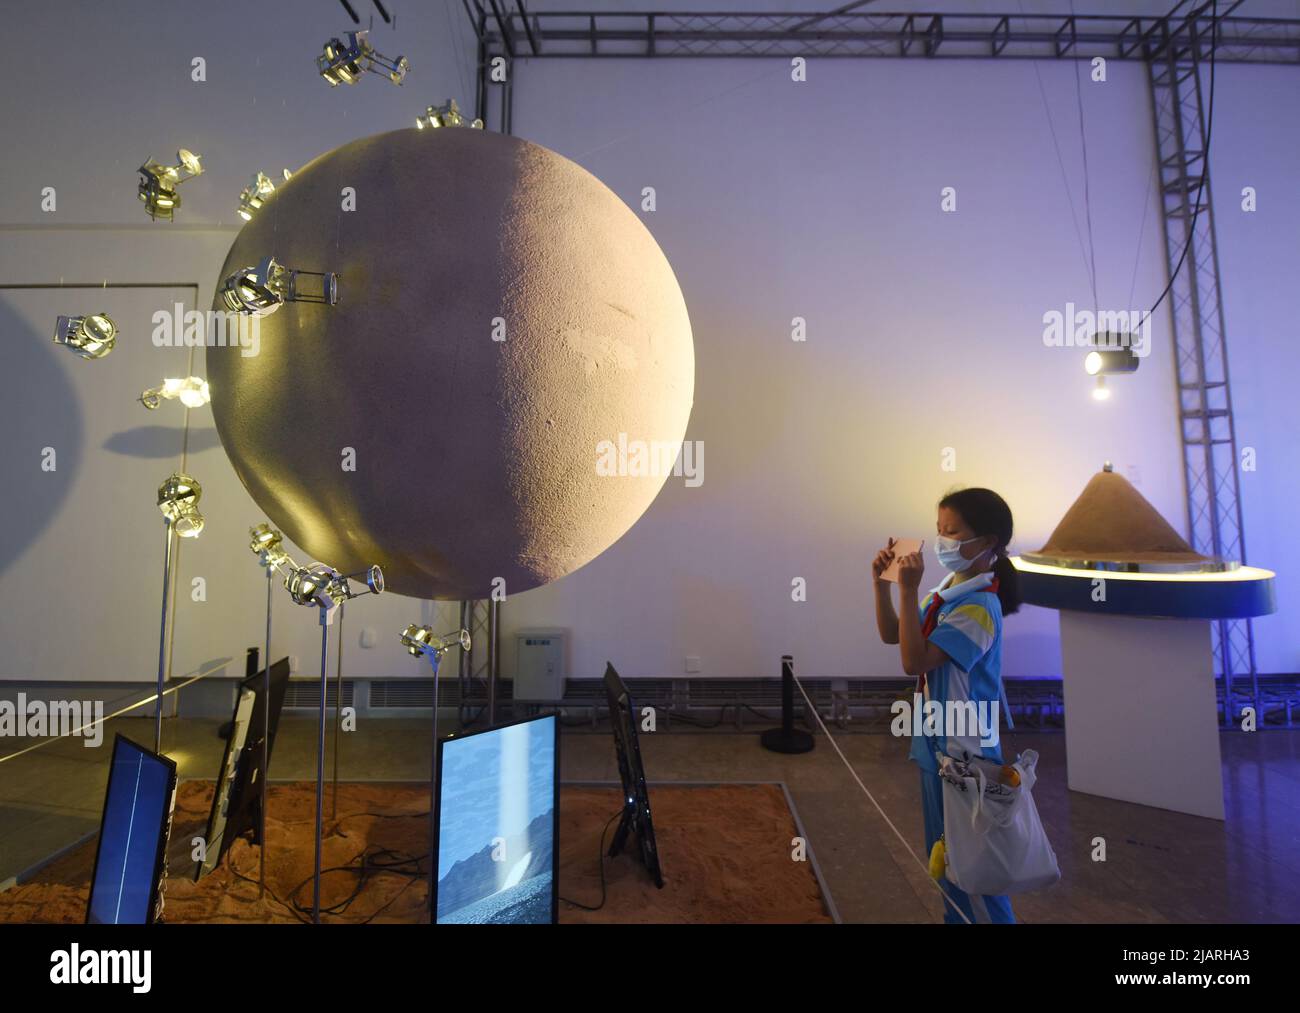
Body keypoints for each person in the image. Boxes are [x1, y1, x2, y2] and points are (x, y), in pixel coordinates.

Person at [871, 487, 1022, 924]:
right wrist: (882, 586)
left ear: (988, 542)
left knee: (971, 868)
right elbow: (894, 635)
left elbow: (912, 661)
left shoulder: (978, 607)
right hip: (937, 747)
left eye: (953, 532)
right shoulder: (948, 592)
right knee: (943, 860)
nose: (942, 542)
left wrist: (907, 588)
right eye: (939, 530)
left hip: (965, 755)